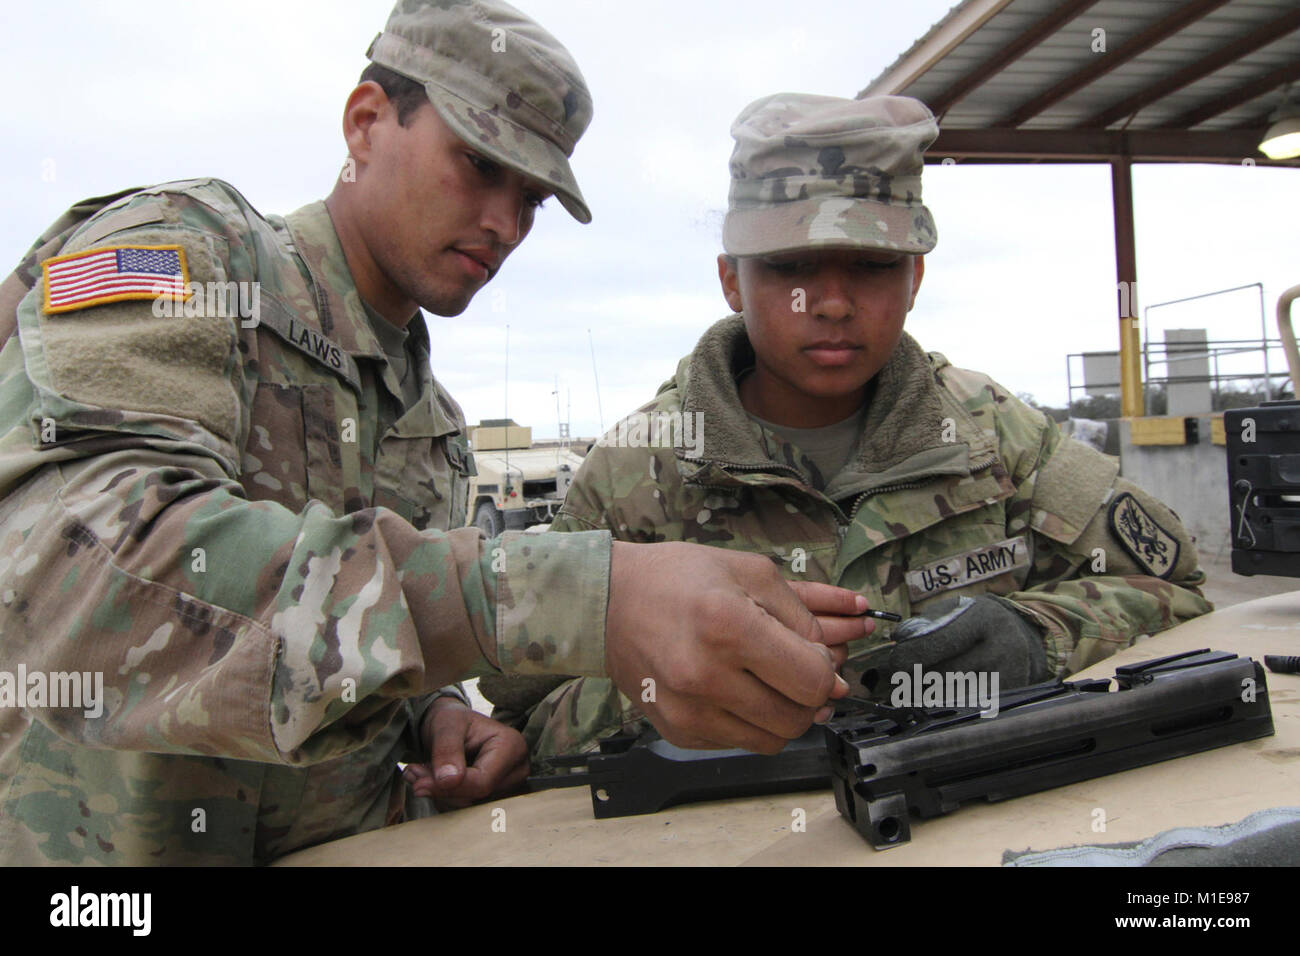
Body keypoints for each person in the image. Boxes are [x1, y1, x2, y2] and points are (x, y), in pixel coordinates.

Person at [0, 5, 867, 865]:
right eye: (479, 165)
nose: (505, 222)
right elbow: (80, 578)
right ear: (367, 122)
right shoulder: (184, 256)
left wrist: (436, 713)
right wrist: (581, 598)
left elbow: (350, 632)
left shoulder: (436, 425)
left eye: (530, 197)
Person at [483, 92, 1214, 760]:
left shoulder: (994, 437)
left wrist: (1033, 637)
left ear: (915, 279)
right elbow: (522, 714)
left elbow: (1174, 592)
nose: (830, 303)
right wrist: (681, 682)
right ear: (732, 279)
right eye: (792, 266)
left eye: (869, 265)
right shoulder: (635, 472)